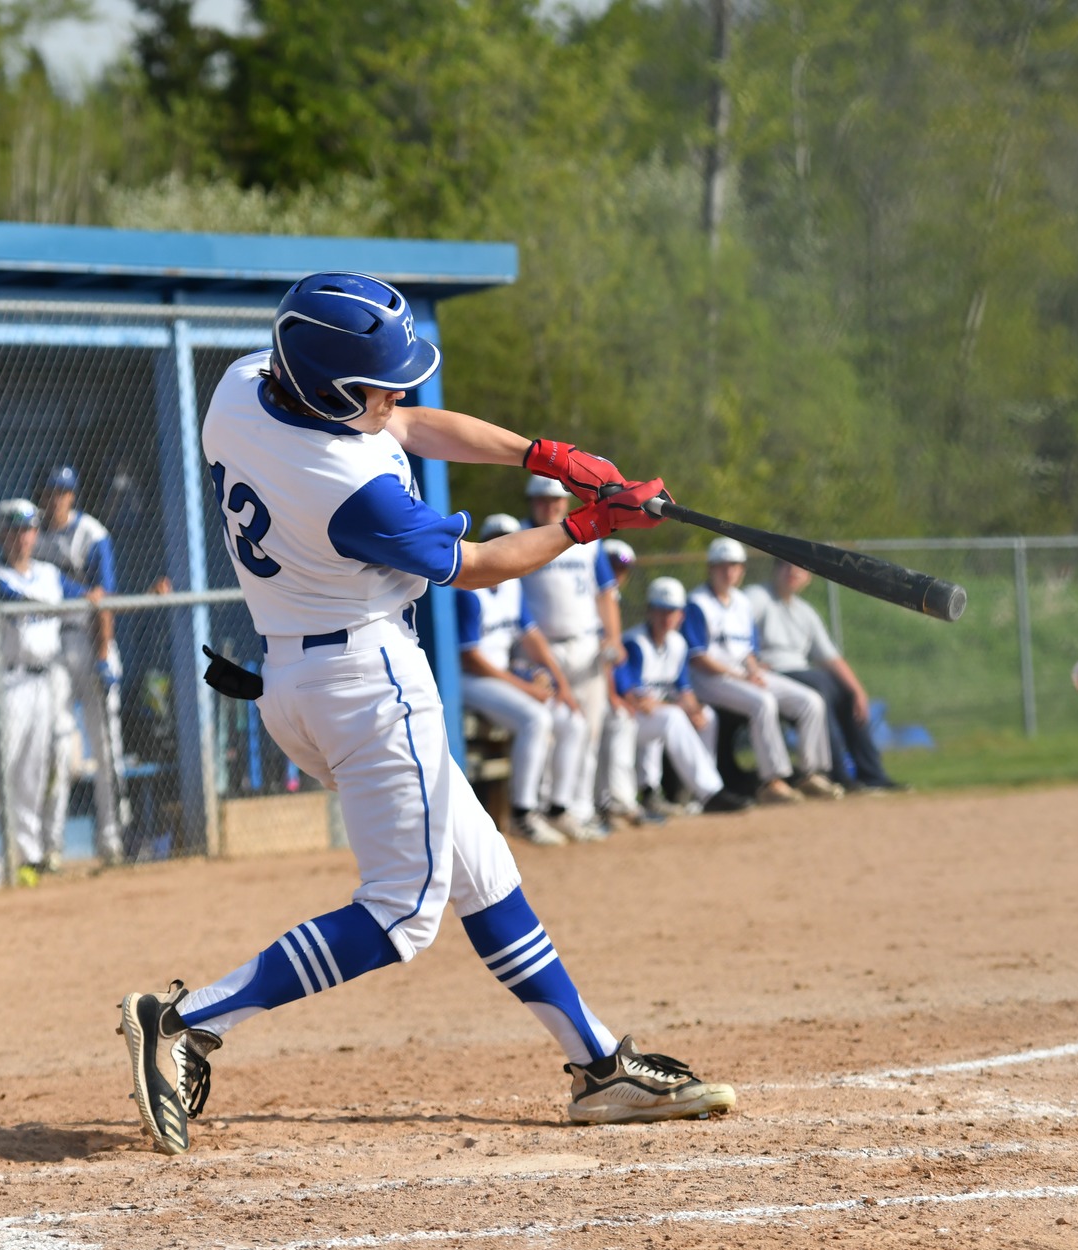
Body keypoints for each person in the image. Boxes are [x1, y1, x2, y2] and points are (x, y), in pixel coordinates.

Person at [119, 272, 734, 1155]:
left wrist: (544, 457)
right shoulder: (348, 485)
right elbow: (479, 562)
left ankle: (598, 1066)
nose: (398, 393)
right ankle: (184, 1020)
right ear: (334, 389)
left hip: (303, 680)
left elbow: (404, 421)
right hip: (372, 683)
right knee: (401, 914)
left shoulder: (245, 385)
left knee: (481, 867)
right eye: (378, 382)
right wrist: (582, 528)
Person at [0, 499, 86, 880]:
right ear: (1, 535)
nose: (21, 538)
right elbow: (15, 600)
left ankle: (27, 855)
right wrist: (56, 606)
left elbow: (86, 595)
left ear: (36, 534)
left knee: (33, 771)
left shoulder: (49, 573)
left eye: (27, 530)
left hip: (44, 682)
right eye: (13, 530)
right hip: (9, 683)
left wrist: (94, 597)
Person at [455, 512, 583, 847]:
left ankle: (558, 808)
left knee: (571, 720)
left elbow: (531, 637)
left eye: (508, 538)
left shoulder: (512, 585)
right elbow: (471, 658)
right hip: (469, 679)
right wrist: (526, 687)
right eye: (497, 537)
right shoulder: (469, 589)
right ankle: (523, 814)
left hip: (500, 675)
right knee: (536, 718)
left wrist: (561, 683)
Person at [684, 538, 843, 804]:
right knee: (763, 702)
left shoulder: (741, 602)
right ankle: (773, 781)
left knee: (810, 702)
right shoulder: (698, 603)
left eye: (734, 566)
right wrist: (744, 676)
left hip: (740, 674)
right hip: (708, 679)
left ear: (742, 570)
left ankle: (810, 774)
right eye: (722, 566)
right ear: (710, 568)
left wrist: (754, 670)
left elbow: (748, 650)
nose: (729, 572)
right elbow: (699, 658)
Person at [32, 465, 127, 866]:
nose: (56, 498)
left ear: (73, 495)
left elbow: (102, 597)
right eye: (51, 491)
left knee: (107, 750)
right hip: (55, 644)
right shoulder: (31, 533)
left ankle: (111, 841)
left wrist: (104, 656)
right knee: (55, 745)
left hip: (91, 642)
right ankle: (51, 846)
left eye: (63, 492)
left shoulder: (92, 533)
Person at [520, 475, 623, 843]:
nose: (551, 506)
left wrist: (613, 636)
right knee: (550, 730)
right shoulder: (519, 536)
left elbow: (606, 593)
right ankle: (548, 807)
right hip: (542, 650)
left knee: (589, 730)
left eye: (557, 500)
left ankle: (579, 809)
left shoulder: (586, 539)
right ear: (532, 503)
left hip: (585, 644)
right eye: (543, 500)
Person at [749, 559, 901, 793]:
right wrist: (752, 662)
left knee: (844, 693)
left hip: (802, 672)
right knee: (821, 685)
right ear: (775, 570)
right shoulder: (758, 597)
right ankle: (839, 775)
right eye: (784, 565)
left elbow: (830, 657)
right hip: (773, 673)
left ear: (808, 577)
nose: (792, 571)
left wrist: (857, 691)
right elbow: (735, 628)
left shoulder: (805, 611)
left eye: (799, 566)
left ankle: (872, 775)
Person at [613, 578, 751, 817]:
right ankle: (709, 793)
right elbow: (637, 701)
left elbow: (683, 690)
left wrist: (694, 709)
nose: (667, 617)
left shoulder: (677, 643)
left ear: (681, 616)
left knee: (705, 716)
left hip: (652, 715)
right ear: (649, 612)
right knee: (671, 716)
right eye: (661, 610)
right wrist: (676, 706)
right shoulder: (635, 643)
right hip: (623, 719)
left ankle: (694, 795)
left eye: (673, 611)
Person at [594, 539, 652, 827]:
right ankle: (616, 803)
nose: (617, 575)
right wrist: (613, 696)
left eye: (622, 570)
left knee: (626, 719)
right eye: (612, 568)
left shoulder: (612, 599)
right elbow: (601, 654)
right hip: (582, 685)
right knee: (618, 720)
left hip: (598, 686)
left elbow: (616, 658)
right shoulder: (595, 597)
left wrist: (627, 693)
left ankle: (616, 801)